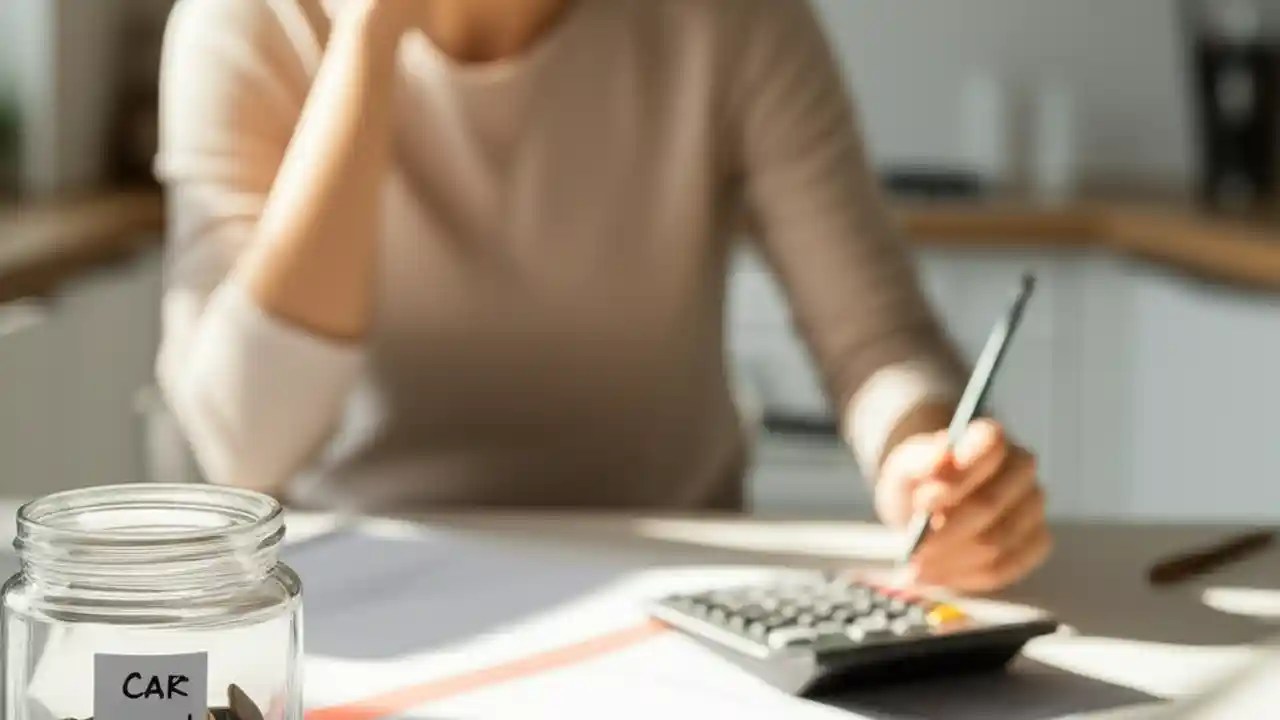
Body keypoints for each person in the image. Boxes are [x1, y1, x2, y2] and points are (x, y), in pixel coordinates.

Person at [155, 0, 1051, 592]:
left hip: (675, 589)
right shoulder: (246, 23)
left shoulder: (732, 20)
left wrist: (925, 459)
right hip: (367, 588)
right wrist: (369, 38)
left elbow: (878, 337)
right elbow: (245, 443)